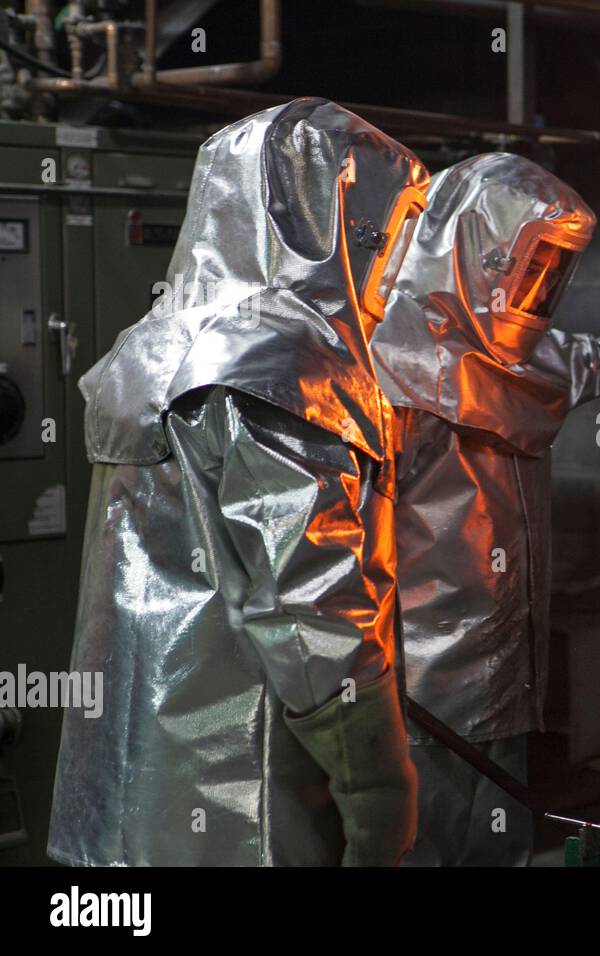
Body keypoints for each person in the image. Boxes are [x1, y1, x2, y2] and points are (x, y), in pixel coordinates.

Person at [48, 98, 429, 866]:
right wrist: (380, 791)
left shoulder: (150, 348)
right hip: (246, 809)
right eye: (389, 232)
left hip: (130, 798)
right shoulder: (280, 367)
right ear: (341, 221)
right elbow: (307, 611)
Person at [370, 153, 600, 865]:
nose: (536, 290)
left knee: (495, 837)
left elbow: (563, 365)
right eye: (528, 268)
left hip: (495, 661)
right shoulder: (392, 358)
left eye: (552, 272)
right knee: (424, 841)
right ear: (477, 251)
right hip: (422, 680)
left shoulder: (497, 353)